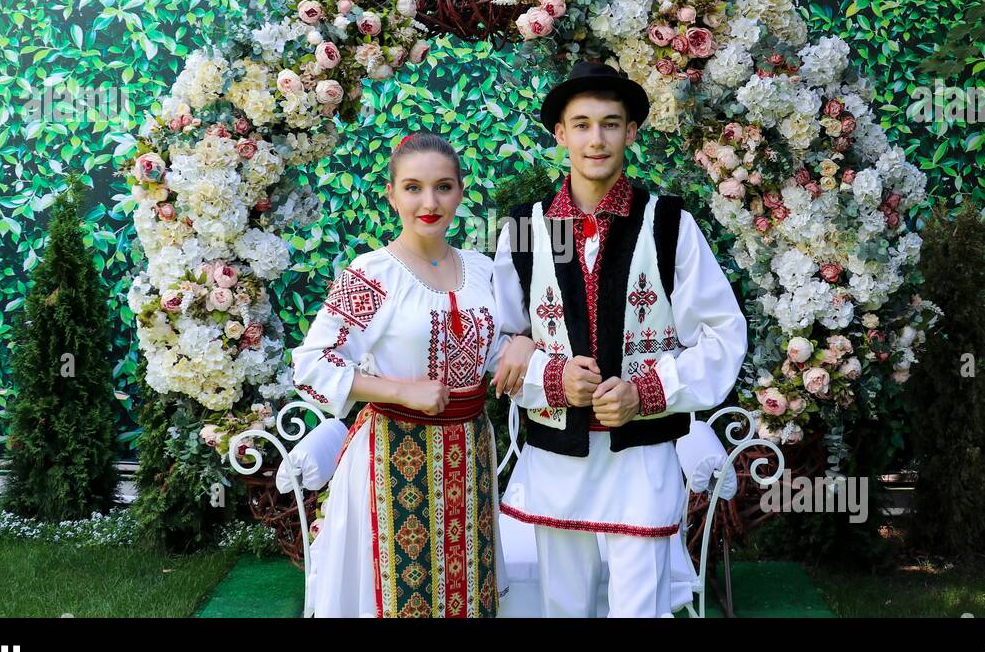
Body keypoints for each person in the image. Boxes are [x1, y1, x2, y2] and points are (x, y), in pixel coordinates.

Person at [491, 60, 748, 617]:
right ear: (560, 134)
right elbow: (501, 333)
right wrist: (548, 376)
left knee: (641, 606)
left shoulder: (667, 224)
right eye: (581, 124)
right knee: (564, 606)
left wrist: (647, 392)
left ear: (632, 132)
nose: (596, 138)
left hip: (643, 453)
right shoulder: (532, 228)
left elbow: (723, 334)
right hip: (557, 454)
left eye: (611, 123)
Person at [288, 130, 514, 617]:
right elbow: (312, 363)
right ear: (391, 195)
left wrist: (525, 343)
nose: (429, 202)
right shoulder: (373, 274)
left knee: (465, 587)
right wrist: (400, 390)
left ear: (460, 190)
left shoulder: (483, 270)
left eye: (443, 187)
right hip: (391, 455)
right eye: (412, 187)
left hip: (469, 455)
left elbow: (499, 348)